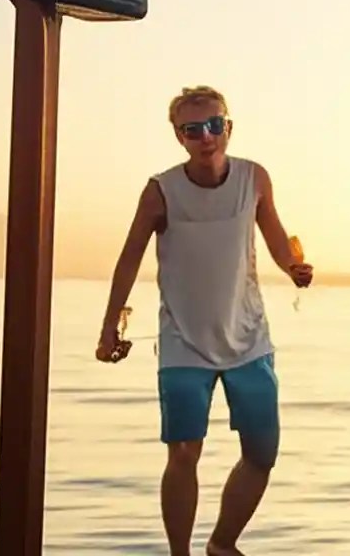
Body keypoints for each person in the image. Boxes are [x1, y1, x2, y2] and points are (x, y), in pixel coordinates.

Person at [96, 85, 313, 556]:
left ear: (229, 128)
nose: (206, 137)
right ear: (179, 137)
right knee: (183, 452)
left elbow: (275, 235)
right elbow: (129, 258)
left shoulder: (254, 179)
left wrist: (293, 267)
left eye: (215, 125)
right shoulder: (160, 192)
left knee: (262, 453)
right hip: (183, 344)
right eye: (193, 130)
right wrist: (109, 326)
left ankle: (222, 544)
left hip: (248, 340)